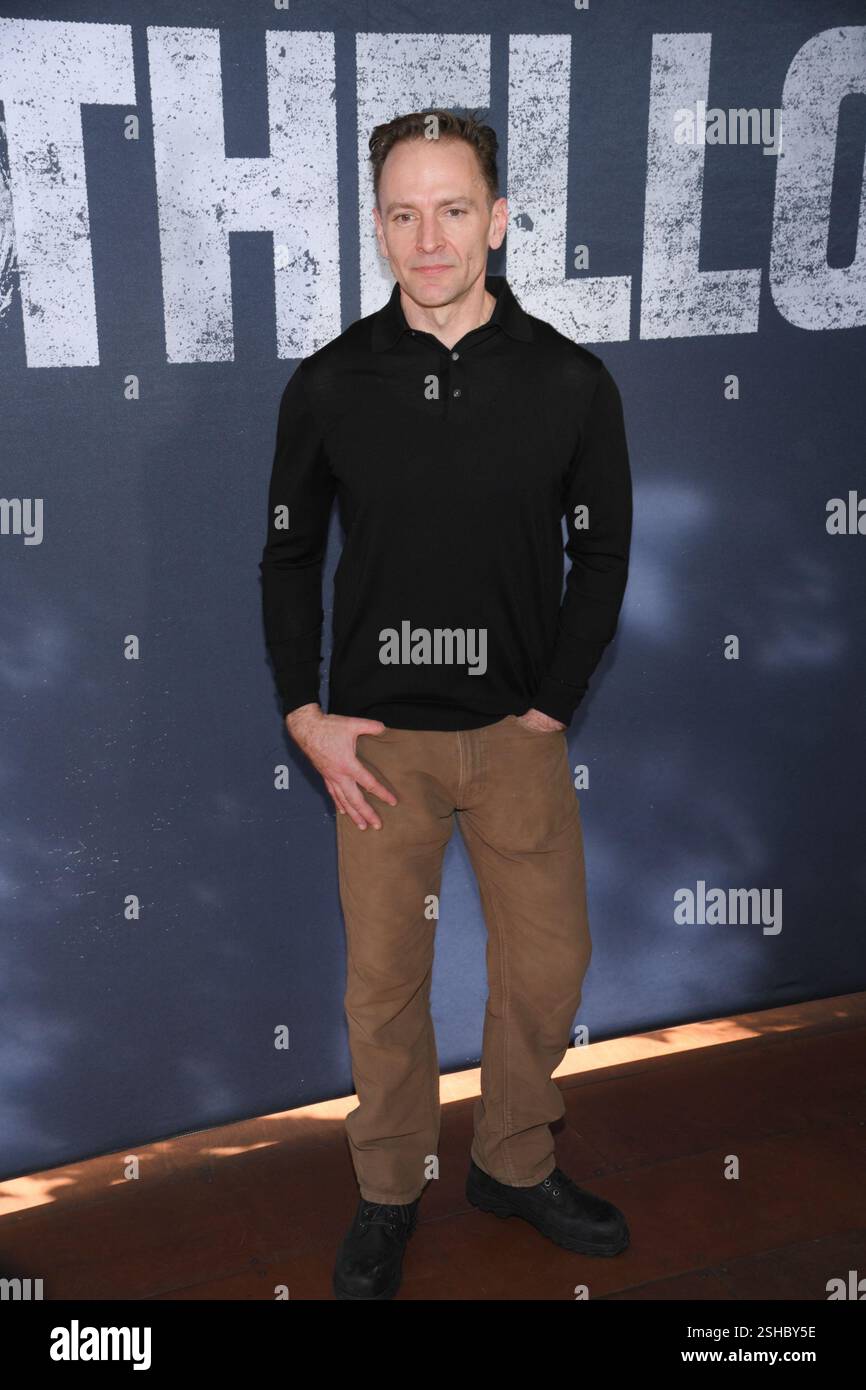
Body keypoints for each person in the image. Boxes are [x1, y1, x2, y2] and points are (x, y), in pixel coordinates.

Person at [259, 108, 633, 1300]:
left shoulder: (572, 380)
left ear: (499, 220)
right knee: (384, 984)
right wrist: (301, 713)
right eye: (404, 213)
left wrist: (550, 704)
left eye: (453, 209)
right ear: (376, 228)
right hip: (379, 753)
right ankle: (386, 1191)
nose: (429, 238)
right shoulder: (328, 385)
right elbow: (285, 555)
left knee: (548, 968)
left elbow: (605, 553)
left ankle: (513, 1161)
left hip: (516, 740)